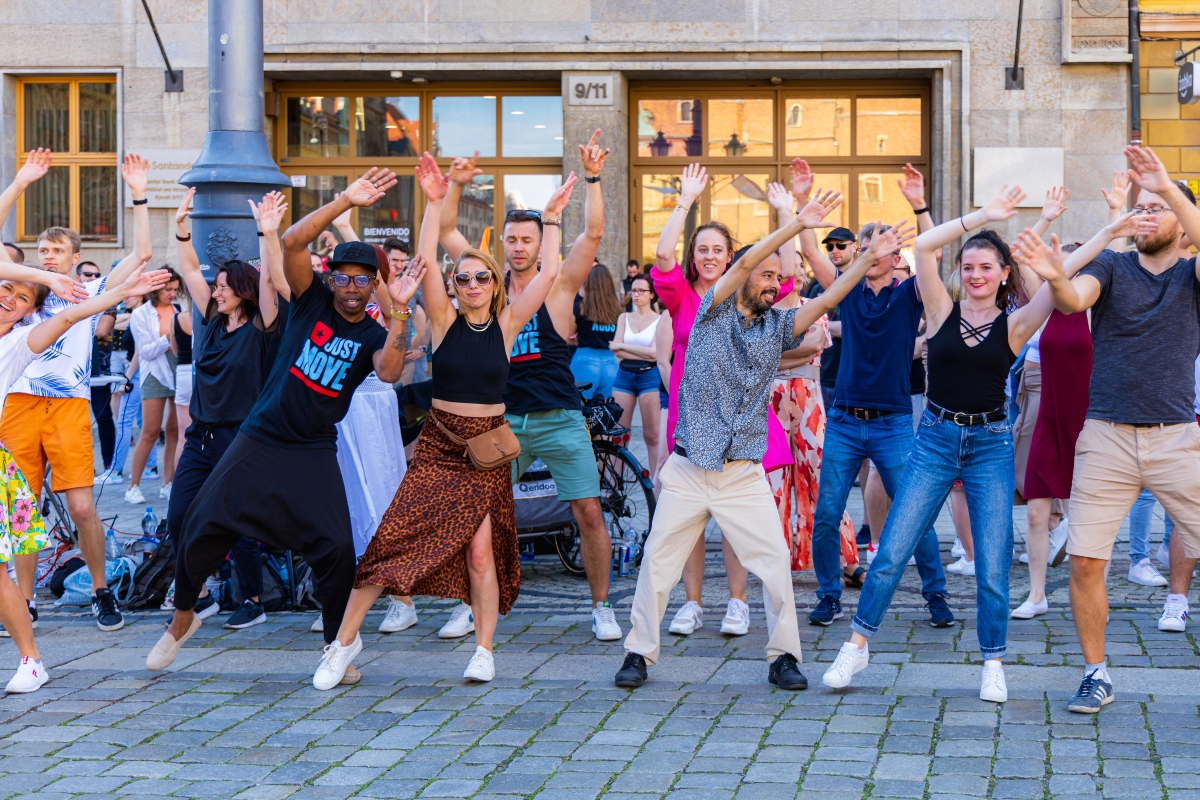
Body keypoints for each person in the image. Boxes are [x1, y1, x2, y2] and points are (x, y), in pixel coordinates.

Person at [614, 191, 906, 690]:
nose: (774, 284)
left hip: (742, 474)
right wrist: (795, 224)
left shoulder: (778, 326)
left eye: (778, 277)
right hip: (687, 469)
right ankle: (639, 653)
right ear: (744, 276)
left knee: (774, 569)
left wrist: (864, 262)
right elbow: (748, 256)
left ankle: (784, 657)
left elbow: (829, 300)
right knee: (657, 565)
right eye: (767, 276)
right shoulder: (711, 308)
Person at [310, 156, 575, 689]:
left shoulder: (508, 322)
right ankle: (341, 646)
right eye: (464, 277)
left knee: (481, 553)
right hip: (440, 445)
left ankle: (483, 650)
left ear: (494, 283)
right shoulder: (444, 318)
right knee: (391, 541)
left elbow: (549, 271)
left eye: (482, 276)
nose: (473, 282)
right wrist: (435, 201)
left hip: (486, 450)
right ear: (454, 285)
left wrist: (551, 219)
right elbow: (426, 257)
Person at [146, 167, 413, 672]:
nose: (352, 287)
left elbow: (392, 371)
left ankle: (337, 645)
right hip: (260, 436)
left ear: (373, 284)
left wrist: (397, 312)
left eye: (363, 280)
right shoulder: (310, 300)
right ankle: (183, 618)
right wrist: (343, 201)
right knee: (199, 523)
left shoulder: (376, 335)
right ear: (331, 278)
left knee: (335, 548)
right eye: (344, 277)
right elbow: (292, 241)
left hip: (312, 448)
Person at [1028, 145, 1200, 714]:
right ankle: (1096, 672)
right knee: (1085, 558)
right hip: (1105, 434)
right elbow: (1074, 298)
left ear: (1181, 221)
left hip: (1178, 435)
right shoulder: (1113, 265)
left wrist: (1166, 184)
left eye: (1159, 207)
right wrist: (1057, 276)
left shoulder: (1191, 274)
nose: (1147, 214)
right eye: (1141, 206)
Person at [438, 133, 621, 642]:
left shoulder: (558, 287)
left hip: (559, 416)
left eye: (527, 240)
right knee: (473, 511)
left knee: (587, 508)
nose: (519, 248)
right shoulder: (484, 286)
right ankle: (467, 606)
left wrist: (590, 178)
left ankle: (602, 605)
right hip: (500, 420)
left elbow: (594, 233)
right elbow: (449, 228)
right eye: (512, 240)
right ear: (502, 244)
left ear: (541, 244)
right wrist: (454, 185)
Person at [794, 160, 952, 629]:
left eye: (878, 245)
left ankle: (936, 595)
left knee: (914, 514)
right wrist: (803, 202)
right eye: (864, 246)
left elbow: (934, 253)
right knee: (827, 514)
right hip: (844, 419)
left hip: (891, 424)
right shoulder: (846, 290)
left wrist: (920, 205)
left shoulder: (908, 294)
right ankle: (827, 596)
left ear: (895, 252)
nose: (868, 251)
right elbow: (810, 249)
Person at [0, 149, 152, 633]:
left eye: (56, 252)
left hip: (67, 407)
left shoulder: (92, 291)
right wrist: (21, 182)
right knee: (22, 507)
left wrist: (139, 194)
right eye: (42, 252)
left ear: (75, 255)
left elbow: (143, 254)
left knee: (83, 506)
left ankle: (102, 590)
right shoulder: (21, 297)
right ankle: (25, 602)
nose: (47, 258)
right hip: (20, 406)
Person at [0, 255, 168, 691]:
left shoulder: (19, 343)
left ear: (27, 311)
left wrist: (121, 295)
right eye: (6, 289)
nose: (8, 299)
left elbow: (74, 313)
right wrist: (19, 183)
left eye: (19, 298)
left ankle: (32, 659)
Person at [165, 188, 289, 631]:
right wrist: (181, 230)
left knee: (240, 520)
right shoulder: (212, 322)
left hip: (242, 436)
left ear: (241, 290)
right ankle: (199, 595)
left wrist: (265, 232)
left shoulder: (262, 327)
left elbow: (271, 281)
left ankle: (252, 598)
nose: (216, 292)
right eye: (215, 287)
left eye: (223, 287)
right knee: (180, 516)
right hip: (201, 436)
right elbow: (190, 271)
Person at [650, 163, 755, 638]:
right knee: (689, 514)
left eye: (718, 250)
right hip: (689, 419)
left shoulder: (744, 297)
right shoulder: (679, 295)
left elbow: (788, 277)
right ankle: (692, 603)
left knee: (735, 515)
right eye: (702, 250)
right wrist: (685, 201)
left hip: (735, 420)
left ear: (732, 255)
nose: (710, 256)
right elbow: (660, 253)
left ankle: (738, 603)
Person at [125, 268, 182, 504]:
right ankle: (133, 487)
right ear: (156, 288)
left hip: (179, 369)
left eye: (176, 290)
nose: (172, 294)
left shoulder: (179, 310)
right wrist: (169, 336)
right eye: (168, 289)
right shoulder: (140, 314)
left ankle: (168, 484)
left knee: (175, 432)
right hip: (155, 372)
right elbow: (146, 352)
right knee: (150, 431)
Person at [610, 275, 664, 478]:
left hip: (649, 375)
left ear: (652, 295)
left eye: (642, 290)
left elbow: (654, 354)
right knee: (619, 434)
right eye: (633, 290)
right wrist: (623, 349)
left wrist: (623, 345)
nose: (637, 294)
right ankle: (615, 486)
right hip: (624, 375)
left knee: (652, 435)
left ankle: (655, 485)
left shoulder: (659, 320)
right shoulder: (624, 317)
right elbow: (617, 353)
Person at [83, 261, 118, 480]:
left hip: (100, 368)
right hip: (72, 371)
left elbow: (102, 329)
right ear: (78, 277)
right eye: (88, 274)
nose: (93, 277)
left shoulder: (108, 301)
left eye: (97, 274)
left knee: (103, 417)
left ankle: (109, 466)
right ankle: (85, 469)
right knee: (78, 423)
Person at [571, 264, 621, 402]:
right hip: (610, 363)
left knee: (580, 412)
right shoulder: (618, 311)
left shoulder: (580, 308)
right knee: (605, 412)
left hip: (584, 360)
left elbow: (567, 335)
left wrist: (577, 337)